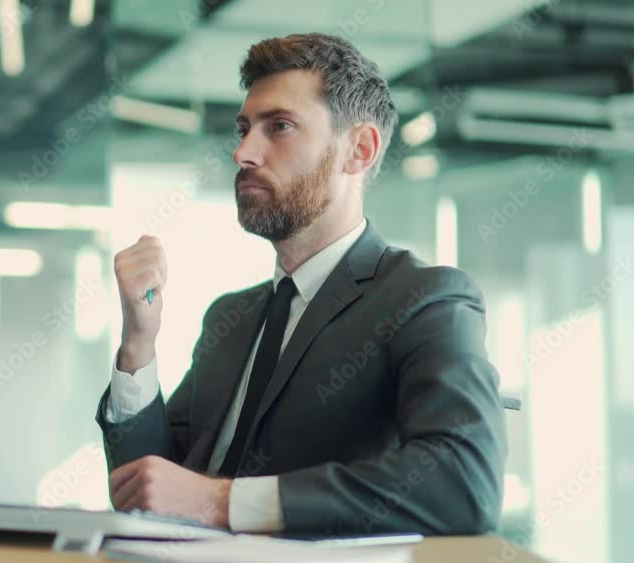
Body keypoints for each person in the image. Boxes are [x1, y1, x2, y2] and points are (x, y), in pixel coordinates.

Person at [95, 33, 507, 536]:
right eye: (244, 129)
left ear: (359, 149)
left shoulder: (424, 299)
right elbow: (154, 490)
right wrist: (139, 342)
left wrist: (222, 501)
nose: (243, 152)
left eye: (280, 127)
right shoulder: (230, 318)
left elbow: (464, 483)